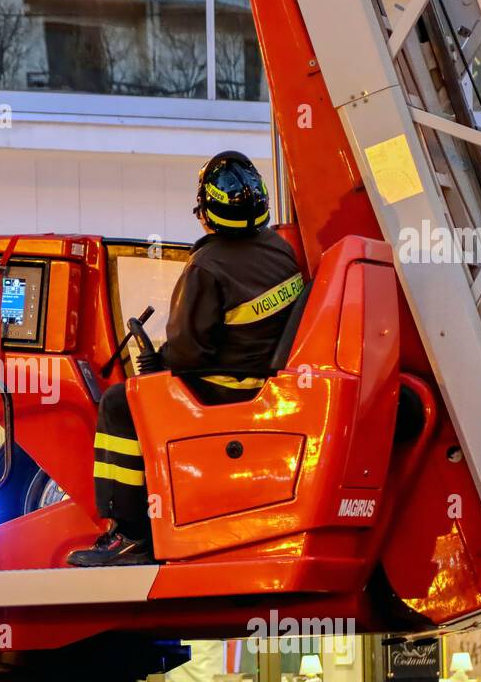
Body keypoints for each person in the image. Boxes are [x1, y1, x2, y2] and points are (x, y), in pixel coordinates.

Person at [68, 151, 304, 568]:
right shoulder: (279, 250)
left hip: (228, 386)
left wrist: (157, 364)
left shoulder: (207, 268)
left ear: (207, 212)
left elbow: (188, 351)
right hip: (266, 381)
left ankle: (130, 532)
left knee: (121, 403)